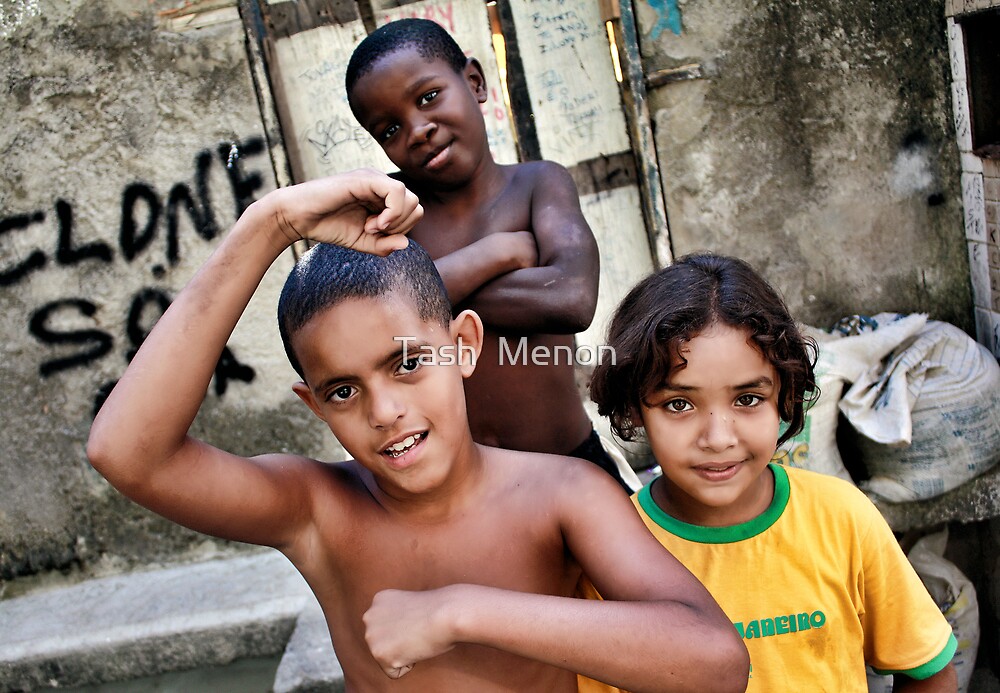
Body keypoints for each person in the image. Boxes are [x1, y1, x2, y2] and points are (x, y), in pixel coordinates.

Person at [86, 171, 750, 692]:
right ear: (313, 404)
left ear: (463, 344)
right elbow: (126, 452)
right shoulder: (316, 509)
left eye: (407, 363)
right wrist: (271, 222)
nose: (384, 410)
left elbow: (714, 663)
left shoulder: (562, 493)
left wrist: (459, 610)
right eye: (342, 390)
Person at [587, 253, 958, 691]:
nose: (719, 438)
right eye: (679, 404)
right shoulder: (610, 553)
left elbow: (927, 671)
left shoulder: (842, 518)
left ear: (785, 393)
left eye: (747, 399)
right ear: (635, 409)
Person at [344, 18, 639, 493]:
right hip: (463, 490)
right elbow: (375, 322)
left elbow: (571, 298)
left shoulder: (539, 184)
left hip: (572, 466)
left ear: (475, 83)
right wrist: (498, 252)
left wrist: (428, 303)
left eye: (427, 97)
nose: (418, 130)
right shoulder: (390, 215)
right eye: (390, 128)